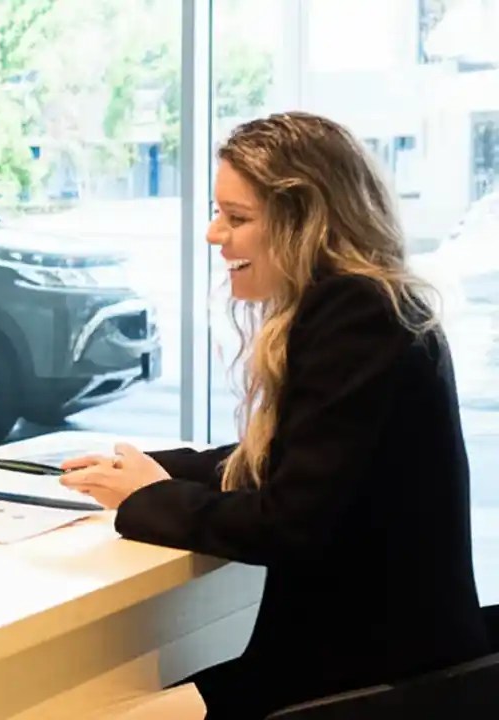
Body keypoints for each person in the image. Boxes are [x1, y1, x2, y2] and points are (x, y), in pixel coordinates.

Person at [62, 112, 488, 719]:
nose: (214, 235)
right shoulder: (370, 304)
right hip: (384, 659)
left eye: (236, 218)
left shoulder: (354, 317)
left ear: (305, 221)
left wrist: (148, 498)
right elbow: (294, 460)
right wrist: (157, 468)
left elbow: (288, 520)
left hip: (371, 682)